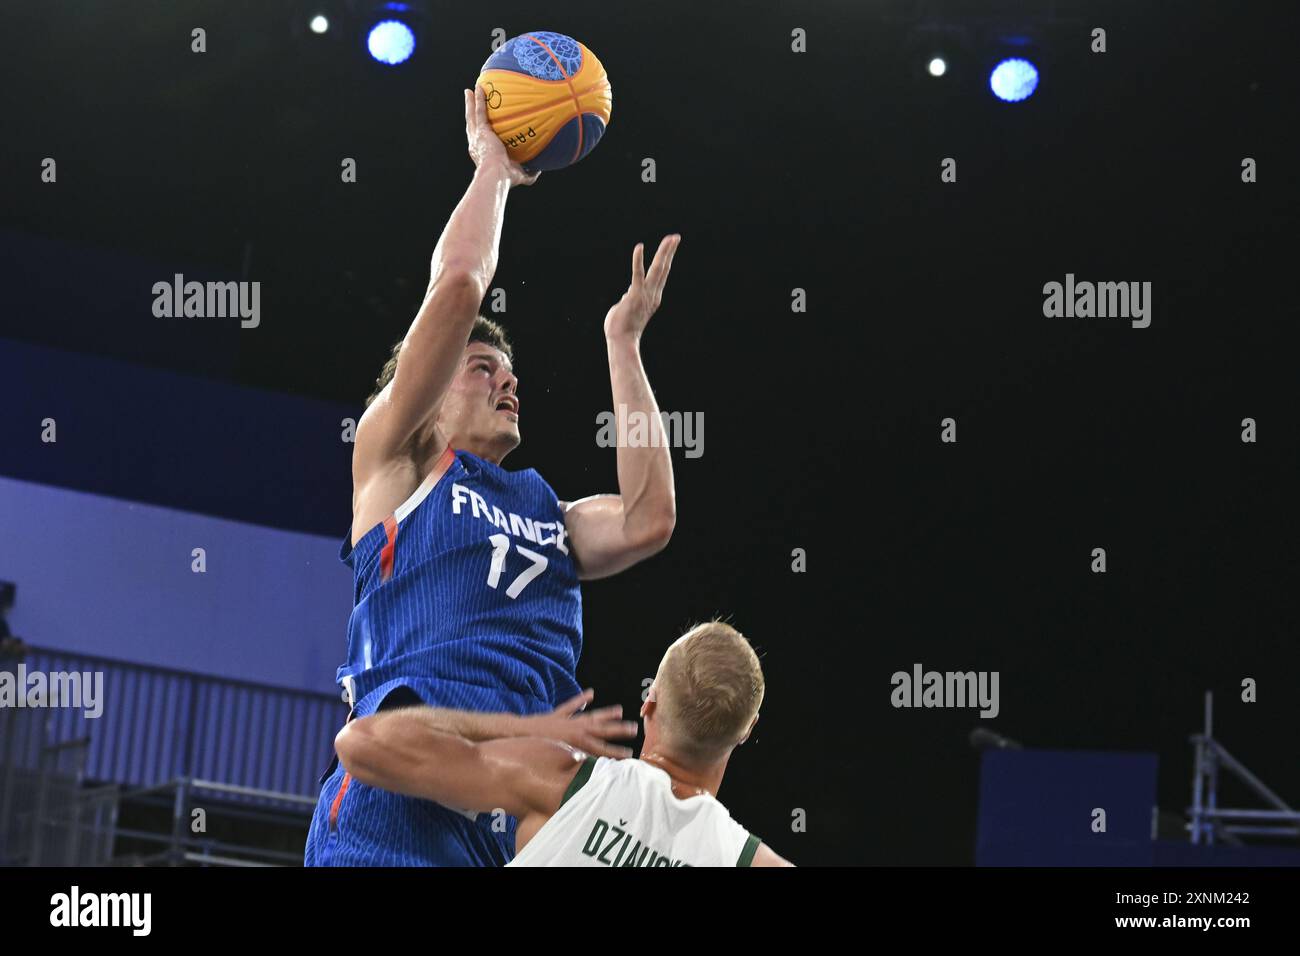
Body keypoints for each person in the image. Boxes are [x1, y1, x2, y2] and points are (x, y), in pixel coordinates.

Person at [304, 86, 681, 866]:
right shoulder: (398, 461)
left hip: (495, 810)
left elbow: (649, 519)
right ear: (430, 389)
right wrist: (494, 169)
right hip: (391, 796)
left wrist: (624, 344)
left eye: (509, 373)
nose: (507, 383)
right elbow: (459, 287)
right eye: (482, 368)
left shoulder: (548, 509)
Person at [335, 621, 794, 867]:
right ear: (748, 729)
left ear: (648, 702)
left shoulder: (563, 780)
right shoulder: (751, 861)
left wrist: (525, 728)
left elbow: (362, 743)